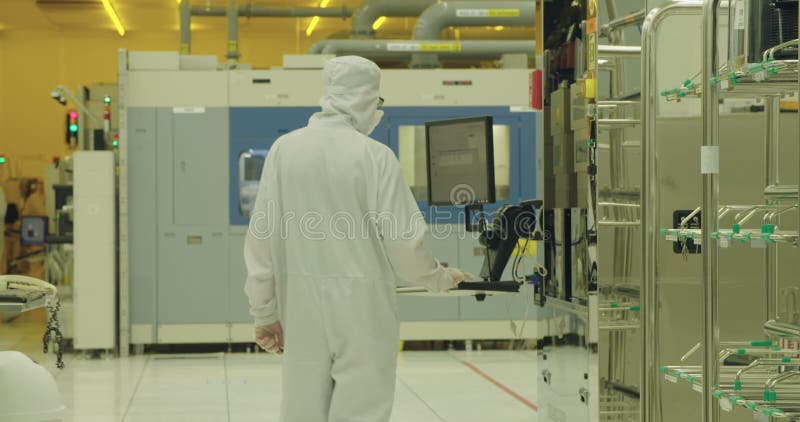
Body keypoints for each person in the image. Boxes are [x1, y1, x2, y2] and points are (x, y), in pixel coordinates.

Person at [244, 56, 472, 422]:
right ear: (365, 99)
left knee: (302, 412)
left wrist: (264, 312)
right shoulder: (375, 156)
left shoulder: (285, 150)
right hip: (363, 312)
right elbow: (404, 246)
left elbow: (261, 240)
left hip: (299, 310)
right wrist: (441, 278)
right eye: (377, 103)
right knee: (362, 411)